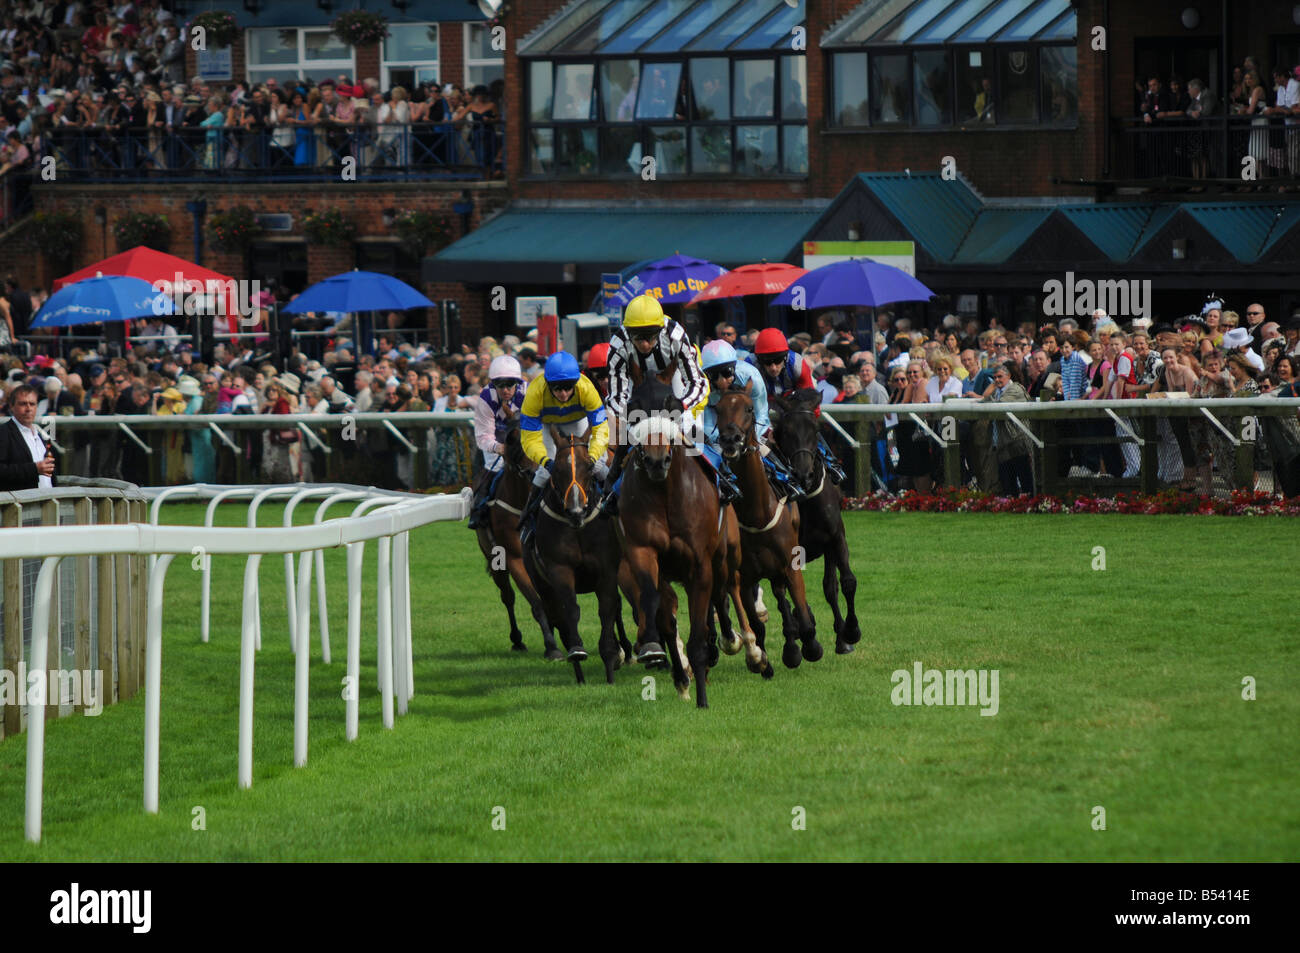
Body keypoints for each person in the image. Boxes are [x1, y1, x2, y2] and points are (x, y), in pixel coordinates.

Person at [599, 293, 709, 517]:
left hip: (676, 380)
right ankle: (611, 489)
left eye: (650, 336)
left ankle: (720, 478)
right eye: (638, 337)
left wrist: (683, 405)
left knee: (693, 434)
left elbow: (697, 383)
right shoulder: (618, 344)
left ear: (660, 330)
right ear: (629, 333)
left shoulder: (676, 335)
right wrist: (631, 415)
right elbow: (616, 395)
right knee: (625, 436)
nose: (645, 343)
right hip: (638, 387)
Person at [516, 350, 609, 547]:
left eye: (568, 388)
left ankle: (616, 507)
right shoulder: (534, 393)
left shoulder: (586, 388)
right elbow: (530, 438)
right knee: (542, 473)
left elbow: (601, 429)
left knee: (599, 467)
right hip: (549, 426)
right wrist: (546, 461)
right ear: (548, 385)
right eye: (557, 389)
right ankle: (528, 518)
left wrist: (592, 458)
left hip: (578, 422)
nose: (564, 393)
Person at [745, 326, 846, 484]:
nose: (773, 367)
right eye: (767, 362)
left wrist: (805, 423)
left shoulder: (797, 364)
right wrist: (766, 430)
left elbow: (811, 404)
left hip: (790, 402)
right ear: (758, 359)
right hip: (760, 403)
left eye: (778, 361)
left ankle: (830, 461)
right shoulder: (749, 367)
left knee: (804, 426)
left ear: (785, 357)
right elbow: (748, 405)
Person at [466, 355, 527, 529]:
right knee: (495, 464)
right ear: (493, 384)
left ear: (517, 383)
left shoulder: (528, 393)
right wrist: (499, 447)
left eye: (510, 384)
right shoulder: (486, 398)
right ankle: (479, 507)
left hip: (524, 437)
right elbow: (483, 437)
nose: (506, 389)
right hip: (496, 436)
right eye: (500, 385)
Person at [981, 363, 1034, 495]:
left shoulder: (1015, 389)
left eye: (1000, 377)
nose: (997, 380)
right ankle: (1012, 504)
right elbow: (984, 403)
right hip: (1003, 444)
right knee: (1008, 482)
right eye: (994, 378)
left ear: (1008, 376)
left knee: (1025, 479)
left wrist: (987, 397)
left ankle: (1030, 505)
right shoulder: (997, 391)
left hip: (1018, 441)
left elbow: (997, 407)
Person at [0, 384, 56, 490]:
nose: (28, 408)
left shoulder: (41, 435)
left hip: (49, 501)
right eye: (23, 404)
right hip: (20, 503)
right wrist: (34, 469)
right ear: (12, 406)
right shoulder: (3, 433)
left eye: (32, 404)